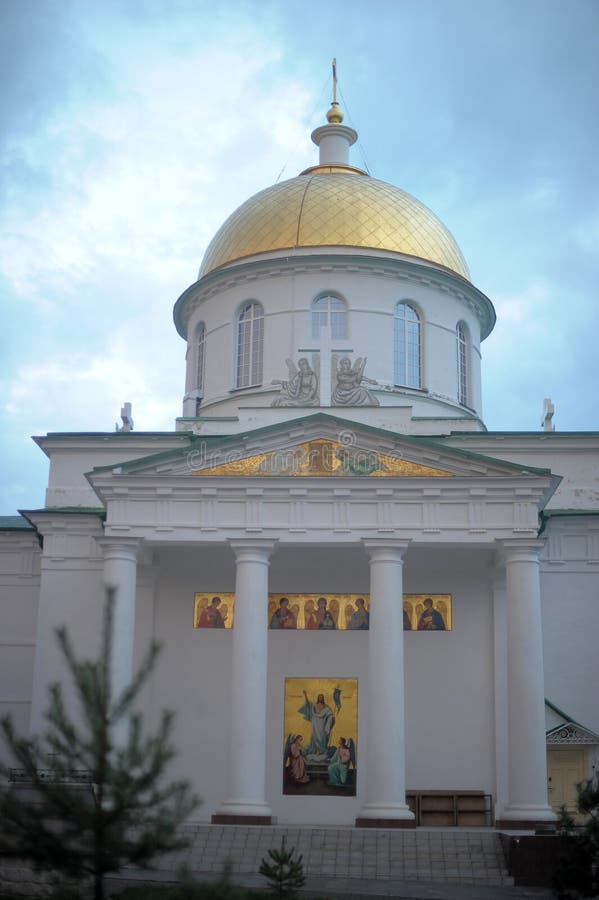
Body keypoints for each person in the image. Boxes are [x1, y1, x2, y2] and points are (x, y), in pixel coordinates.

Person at [298, 690, 334, 759]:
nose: (320, 698)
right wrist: (305, 695)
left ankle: (322, 751)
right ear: (318, 698)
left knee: (322, 737)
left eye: (322, 697)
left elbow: (330, 714)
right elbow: (308, 704)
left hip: (322, 724)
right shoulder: (314, 705)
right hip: (315, 724)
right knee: (315, 737)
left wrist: (331, 718)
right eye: (319, 697)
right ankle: (316, 751)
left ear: (323, 698)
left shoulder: (326, 706)